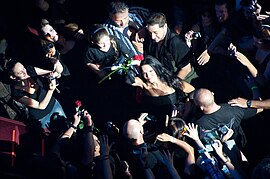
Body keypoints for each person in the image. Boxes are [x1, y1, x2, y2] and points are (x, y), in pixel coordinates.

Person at [132, 55, 195, 135]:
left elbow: (193, 92)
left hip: (176, 123)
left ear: (156, 69)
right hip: (156, 123)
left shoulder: (170, 81)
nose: (148, 76)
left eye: (151, 71)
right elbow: (128, 78)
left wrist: (187, 107)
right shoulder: (143, 85)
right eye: (145, 73)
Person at [6, 60, 66, 131]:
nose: (24, 72)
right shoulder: (16, 93)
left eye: (23, 68)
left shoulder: (29, 70)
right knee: (57, 138)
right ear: (13, 77)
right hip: (43, 117)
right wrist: (51, 90)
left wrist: (54, 73)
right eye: (20, 72)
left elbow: (52, 72)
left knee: (67, 128)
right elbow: (40, 106)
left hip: (54, 105)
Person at [193, 88, 263, 148]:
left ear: (201, 107)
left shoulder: (198, 124)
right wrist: (254, 88)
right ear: (213, 94)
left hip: (223, 155)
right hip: (240, 144)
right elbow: (260, 108)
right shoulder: (234, 107)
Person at [143, 12, 198, 83]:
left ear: (165, 26)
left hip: (185, 80)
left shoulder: (176, 43)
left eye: (155, 32)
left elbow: (186, 69)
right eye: (150, 33)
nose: (153, 36)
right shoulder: (151, 40)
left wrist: (172, 85)